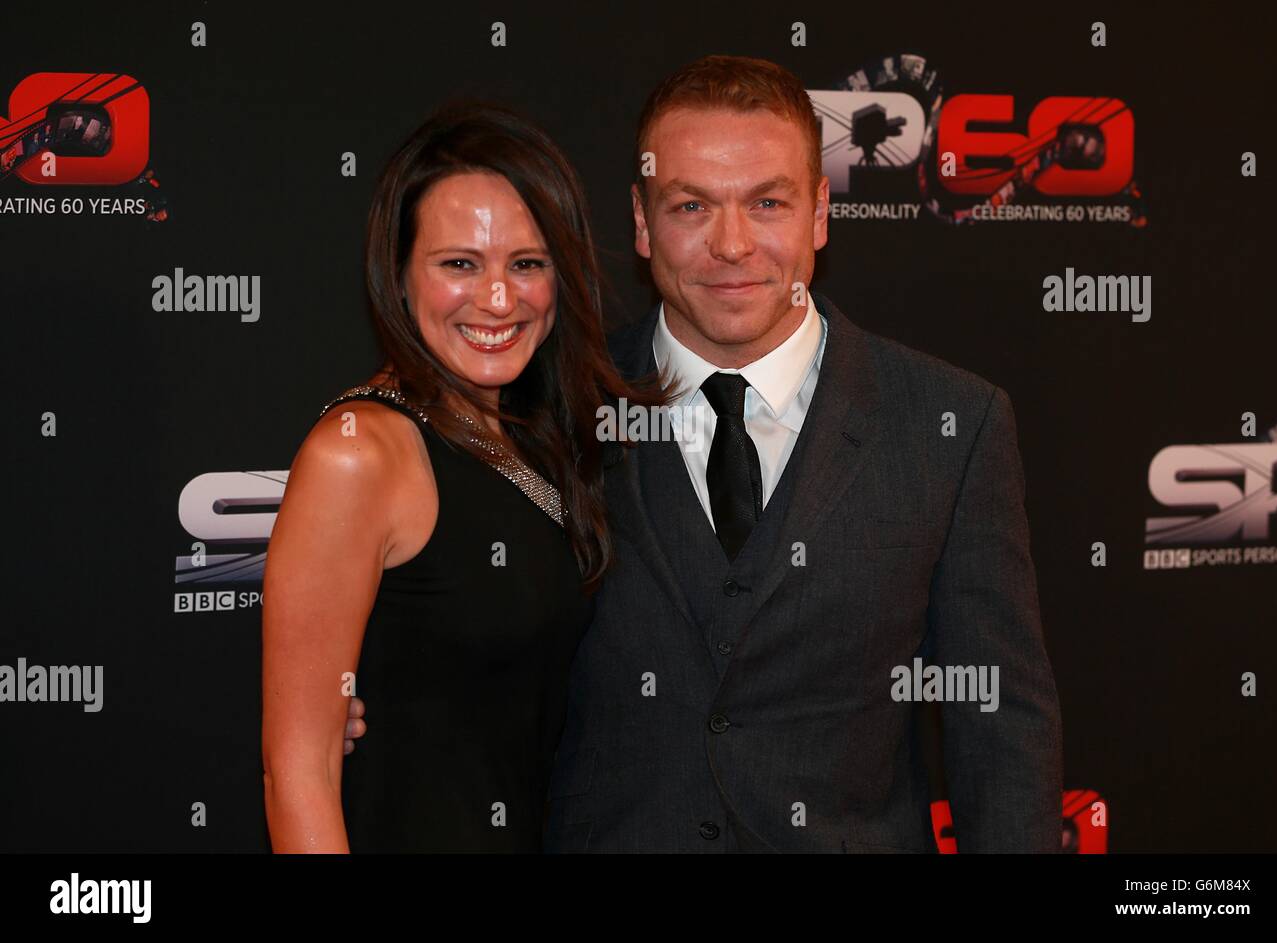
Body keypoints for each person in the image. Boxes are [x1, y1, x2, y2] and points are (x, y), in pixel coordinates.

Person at [346, 55, 1064, 853]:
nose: (731, 245)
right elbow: (456, 621)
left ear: (821, 214)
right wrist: (357, 694)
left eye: (767, 203)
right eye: (692, 205)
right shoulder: (540, 411)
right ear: (643, 222)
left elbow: (1000, 730)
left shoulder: (950, 424)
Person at [261, 102, 661, 852]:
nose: (500, 299)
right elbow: (298, 771)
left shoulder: (531, 437)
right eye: (459, 264)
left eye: (527, 263)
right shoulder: (360, 454)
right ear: (400, 273)